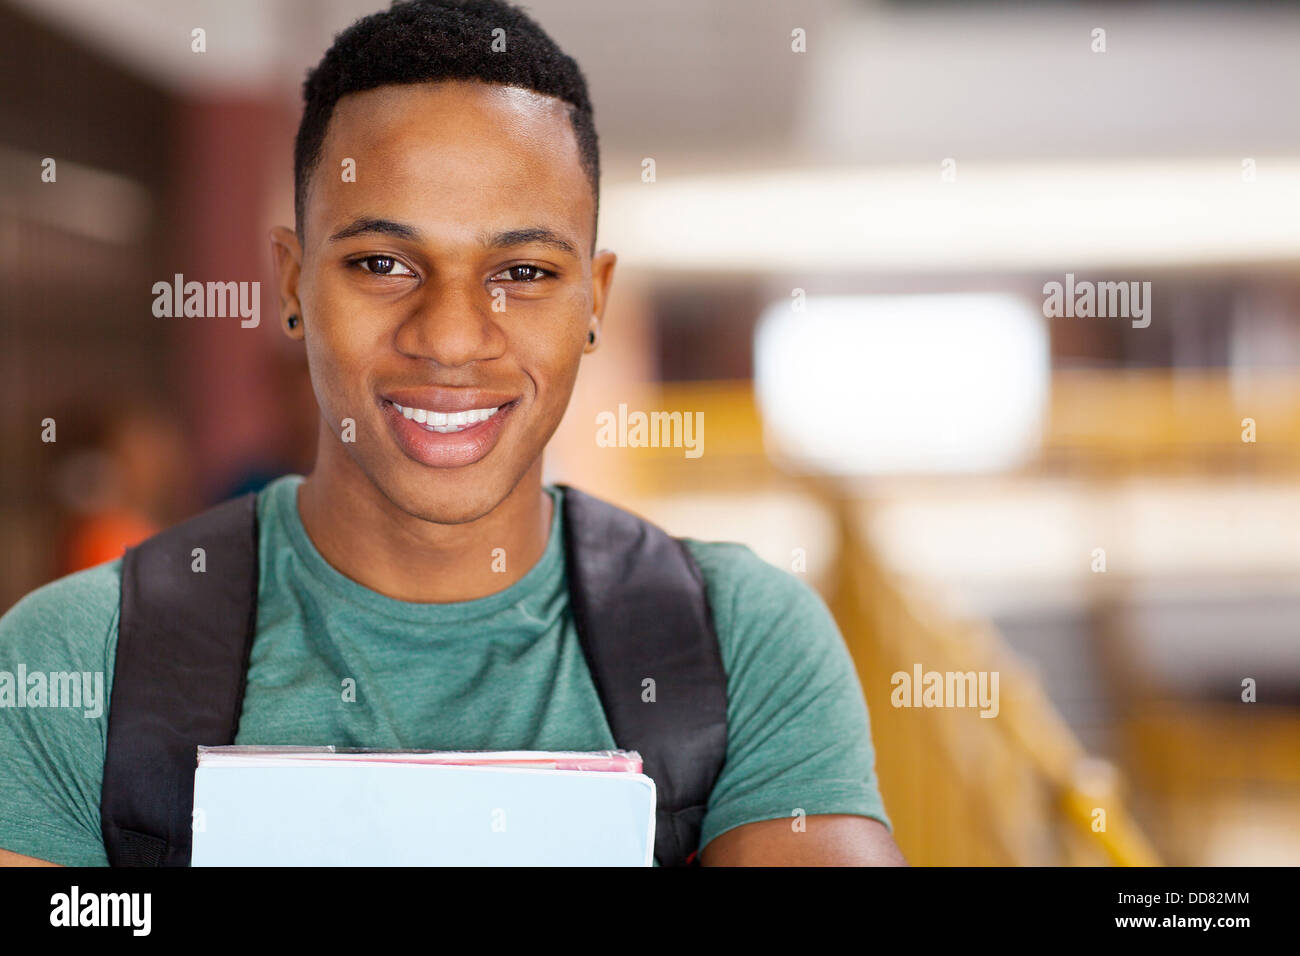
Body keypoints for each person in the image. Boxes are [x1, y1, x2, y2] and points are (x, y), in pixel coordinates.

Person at [0, 0, 904, 866]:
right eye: (382, 263)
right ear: (290, 285)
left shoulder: (737, 638)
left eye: (522, 269)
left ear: (596, 300)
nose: (451, 336)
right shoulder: (81, 661)